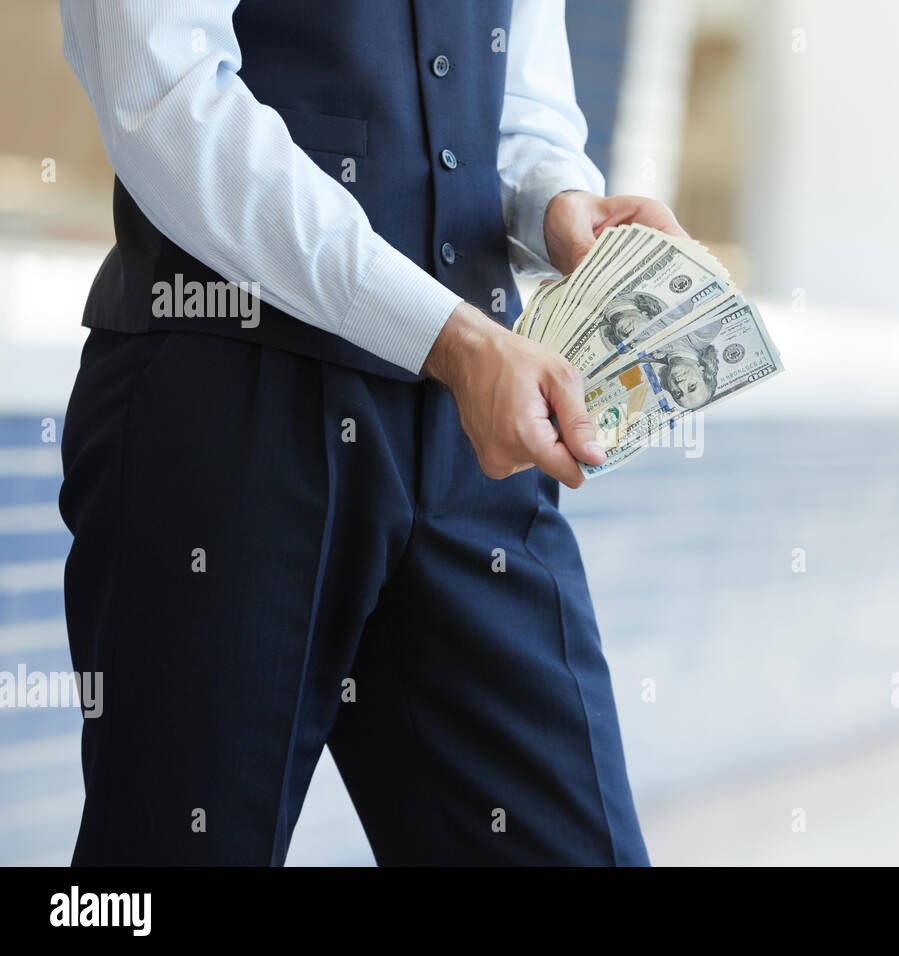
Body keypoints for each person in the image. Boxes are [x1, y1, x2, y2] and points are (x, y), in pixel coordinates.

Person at [56, 0, 687, 866]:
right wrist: (450, 337)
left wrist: (558, 205)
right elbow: (162, 96)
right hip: (226, 407)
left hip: (468, 431)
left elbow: (521, 107)